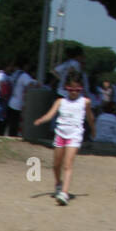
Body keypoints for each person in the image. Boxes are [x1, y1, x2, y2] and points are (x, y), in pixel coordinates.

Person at [32, 70, 95, 204]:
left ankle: (64, 193)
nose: (73, 92)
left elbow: (90, 118)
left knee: (68, 164)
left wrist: (93, 130)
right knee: (56, 164)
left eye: (77, 89)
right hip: (60, 134)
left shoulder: (85, 102)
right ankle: (58, 183)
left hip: (75, 134)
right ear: (66, 88)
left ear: (81, 89)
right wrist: (41, 120)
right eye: (70, 89)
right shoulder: (60, 101)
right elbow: (50, 115)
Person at [5, 58, 33, 138]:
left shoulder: (15, 74)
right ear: (25, 66)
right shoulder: (24, 75)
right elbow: (30, 84)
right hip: (18, 104)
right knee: (16, 125)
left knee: (12, 126)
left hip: (11, 101)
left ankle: (11, 137)